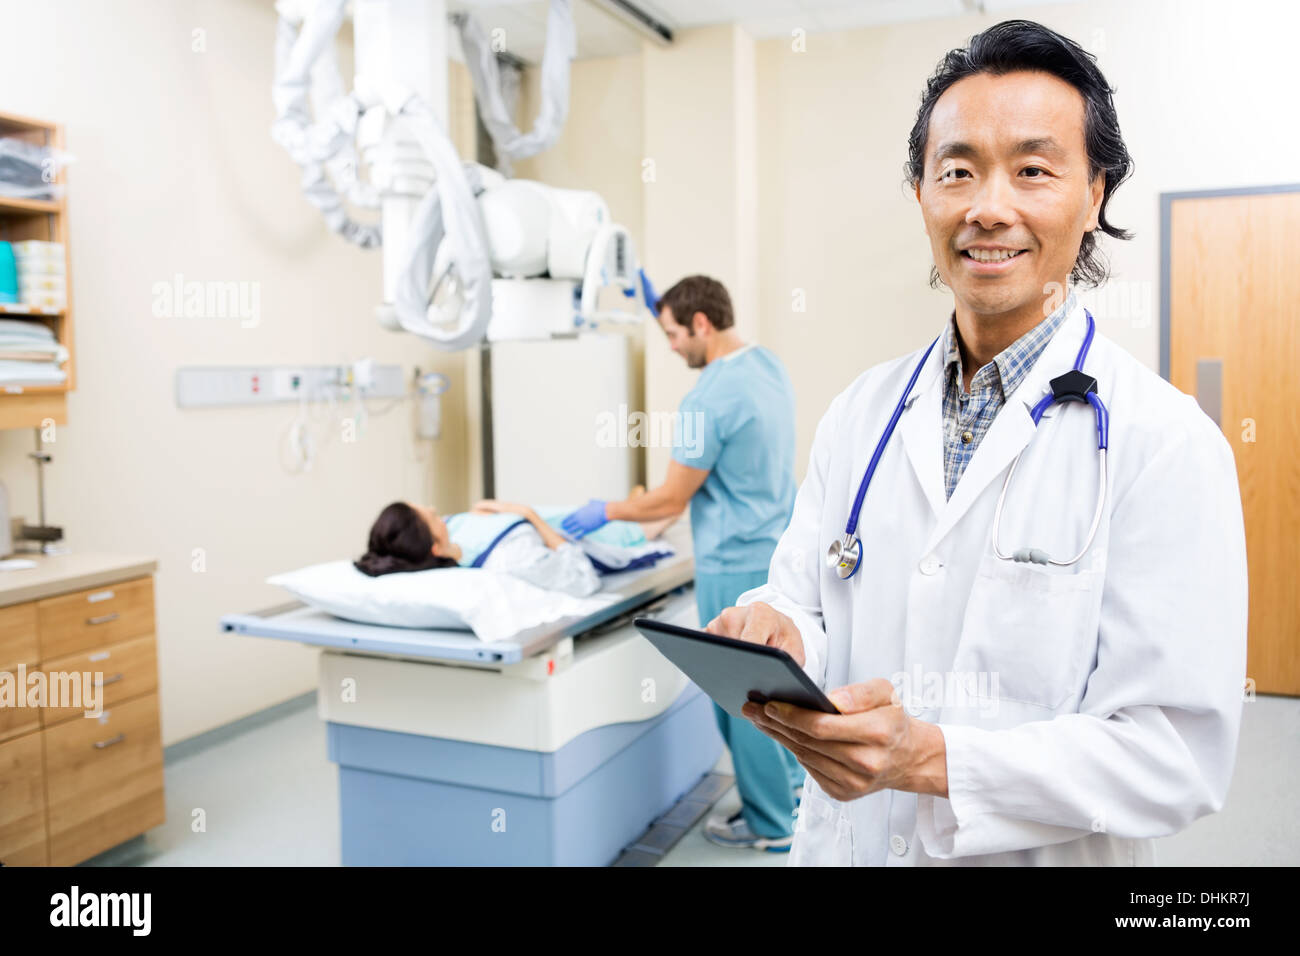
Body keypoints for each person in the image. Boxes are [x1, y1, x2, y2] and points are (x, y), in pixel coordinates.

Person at [706, 19, 1247, 866]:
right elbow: (804, 593)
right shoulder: (861, 412)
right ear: (921, 194)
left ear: (1096, 193)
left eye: (1033, 169)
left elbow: (1174, 756)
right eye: (955, 170)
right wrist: (779, 633)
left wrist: (929, 760)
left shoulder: (1166, 444)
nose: (987, 206)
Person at [562, 275, 804, 851]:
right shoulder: (765, 365)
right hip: (775, 554)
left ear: (700, 324)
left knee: (741, 701)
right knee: (778, 687)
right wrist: (661, 304)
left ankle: (772, 825)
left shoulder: (706, 399)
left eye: (672, 333)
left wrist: (608, 511)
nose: (668, 346)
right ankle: (791, 796)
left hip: (730, 563)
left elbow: (670, 498)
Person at [356, 497, 675, 597]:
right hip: (585, 540)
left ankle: (640, 501)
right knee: (640, 528)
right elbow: (581, 577)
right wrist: (529, 516)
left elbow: (456, 524)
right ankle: (654, 515)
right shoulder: (510, 561)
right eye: (433, 517)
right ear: (434, 547)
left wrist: (480, 512)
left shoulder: (447, 535)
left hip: (551, 520)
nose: (440, 515)